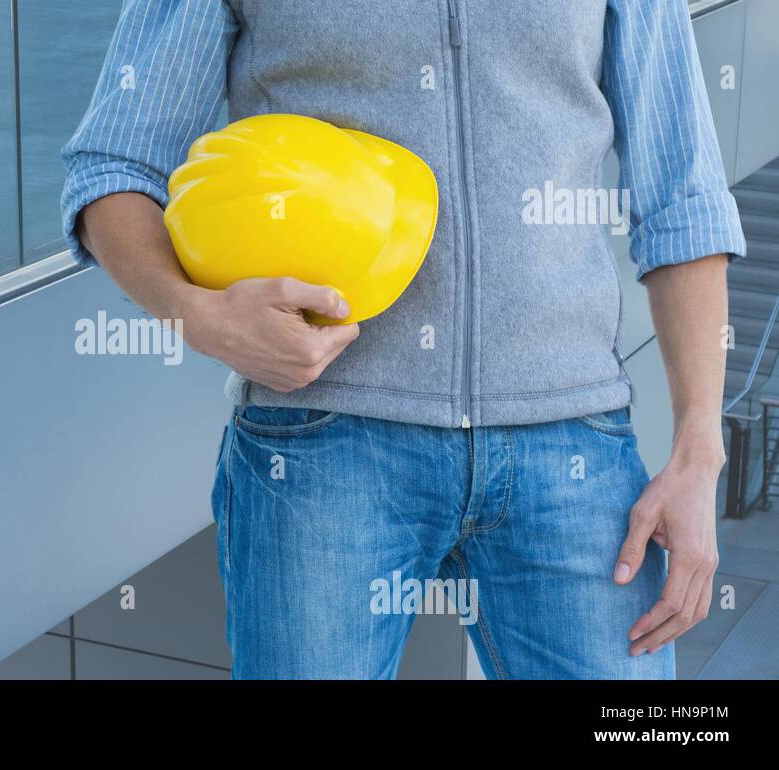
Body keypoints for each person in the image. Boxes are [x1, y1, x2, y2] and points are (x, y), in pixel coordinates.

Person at [61, 0, 746, 679]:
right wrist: (197, 316)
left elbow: (683, 196)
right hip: (322, 438)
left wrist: (698, 454)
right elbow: (113, 167)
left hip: (571, 438)